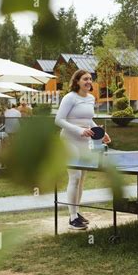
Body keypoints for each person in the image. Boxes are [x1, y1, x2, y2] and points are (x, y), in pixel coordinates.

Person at [55, 69, 111, 230]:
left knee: (82, 179)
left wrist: (102, 133)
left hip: (85, 142)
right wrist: (79, 130)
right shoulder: (70, 97)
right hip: (69, 140)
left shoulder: (91, 98)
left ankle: (77, 212)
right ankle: (72, 218)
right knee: (75, 176)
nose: (88, 81)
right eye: (85, 79)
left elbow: (88, 120)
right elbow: (59, 120)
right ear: (77, 81)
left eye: (90, 79)